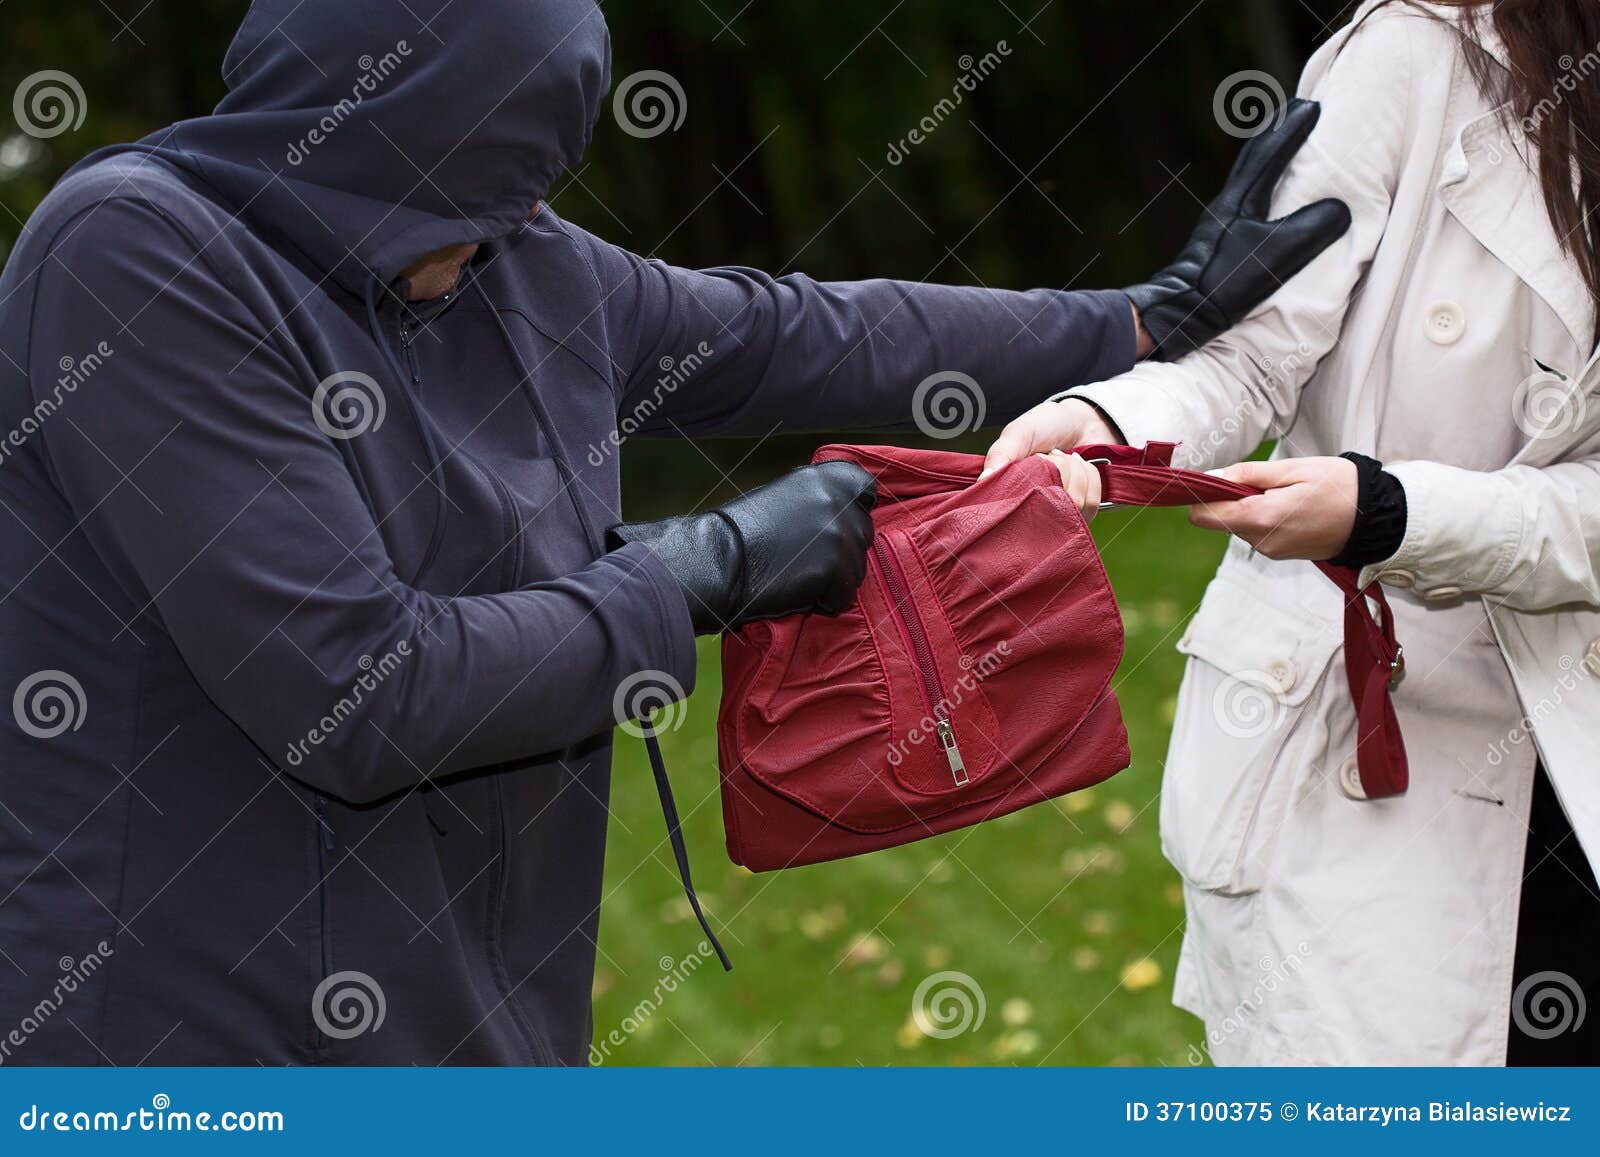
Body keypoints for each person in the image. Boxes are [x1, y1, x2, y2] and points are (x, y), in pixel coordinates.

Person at [0, 0, 1343, 1065]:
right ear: (373, 136)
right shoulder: (140, 256)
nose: (520, 227)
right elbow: (360, 692)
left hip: (469, 1010)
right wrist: (708, 568)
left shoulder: (504, 266)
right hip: (181, 1031)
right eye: (481, 190)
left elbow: (803, 333)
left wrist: (1137, 320)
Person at [985, 0, 1600, 1065]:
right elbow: (1244, 354)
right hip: (1362, 755)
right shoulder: (1405, 55)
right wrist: (1111, 423)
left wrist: (1392, 513)